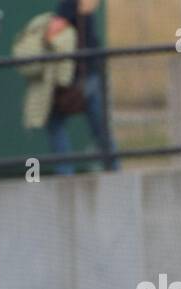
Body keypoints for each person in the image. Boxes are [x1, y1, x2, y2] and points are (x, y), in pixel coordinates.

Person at [44, 0, 118, 174]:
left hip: (78, 75)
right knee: (99, 129)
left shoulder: (69, 3)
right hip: (90, 71)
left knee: (55, 123)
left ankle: (66, 173)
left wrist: (39, 30)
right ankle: (114, 169)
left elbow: (53, 29)